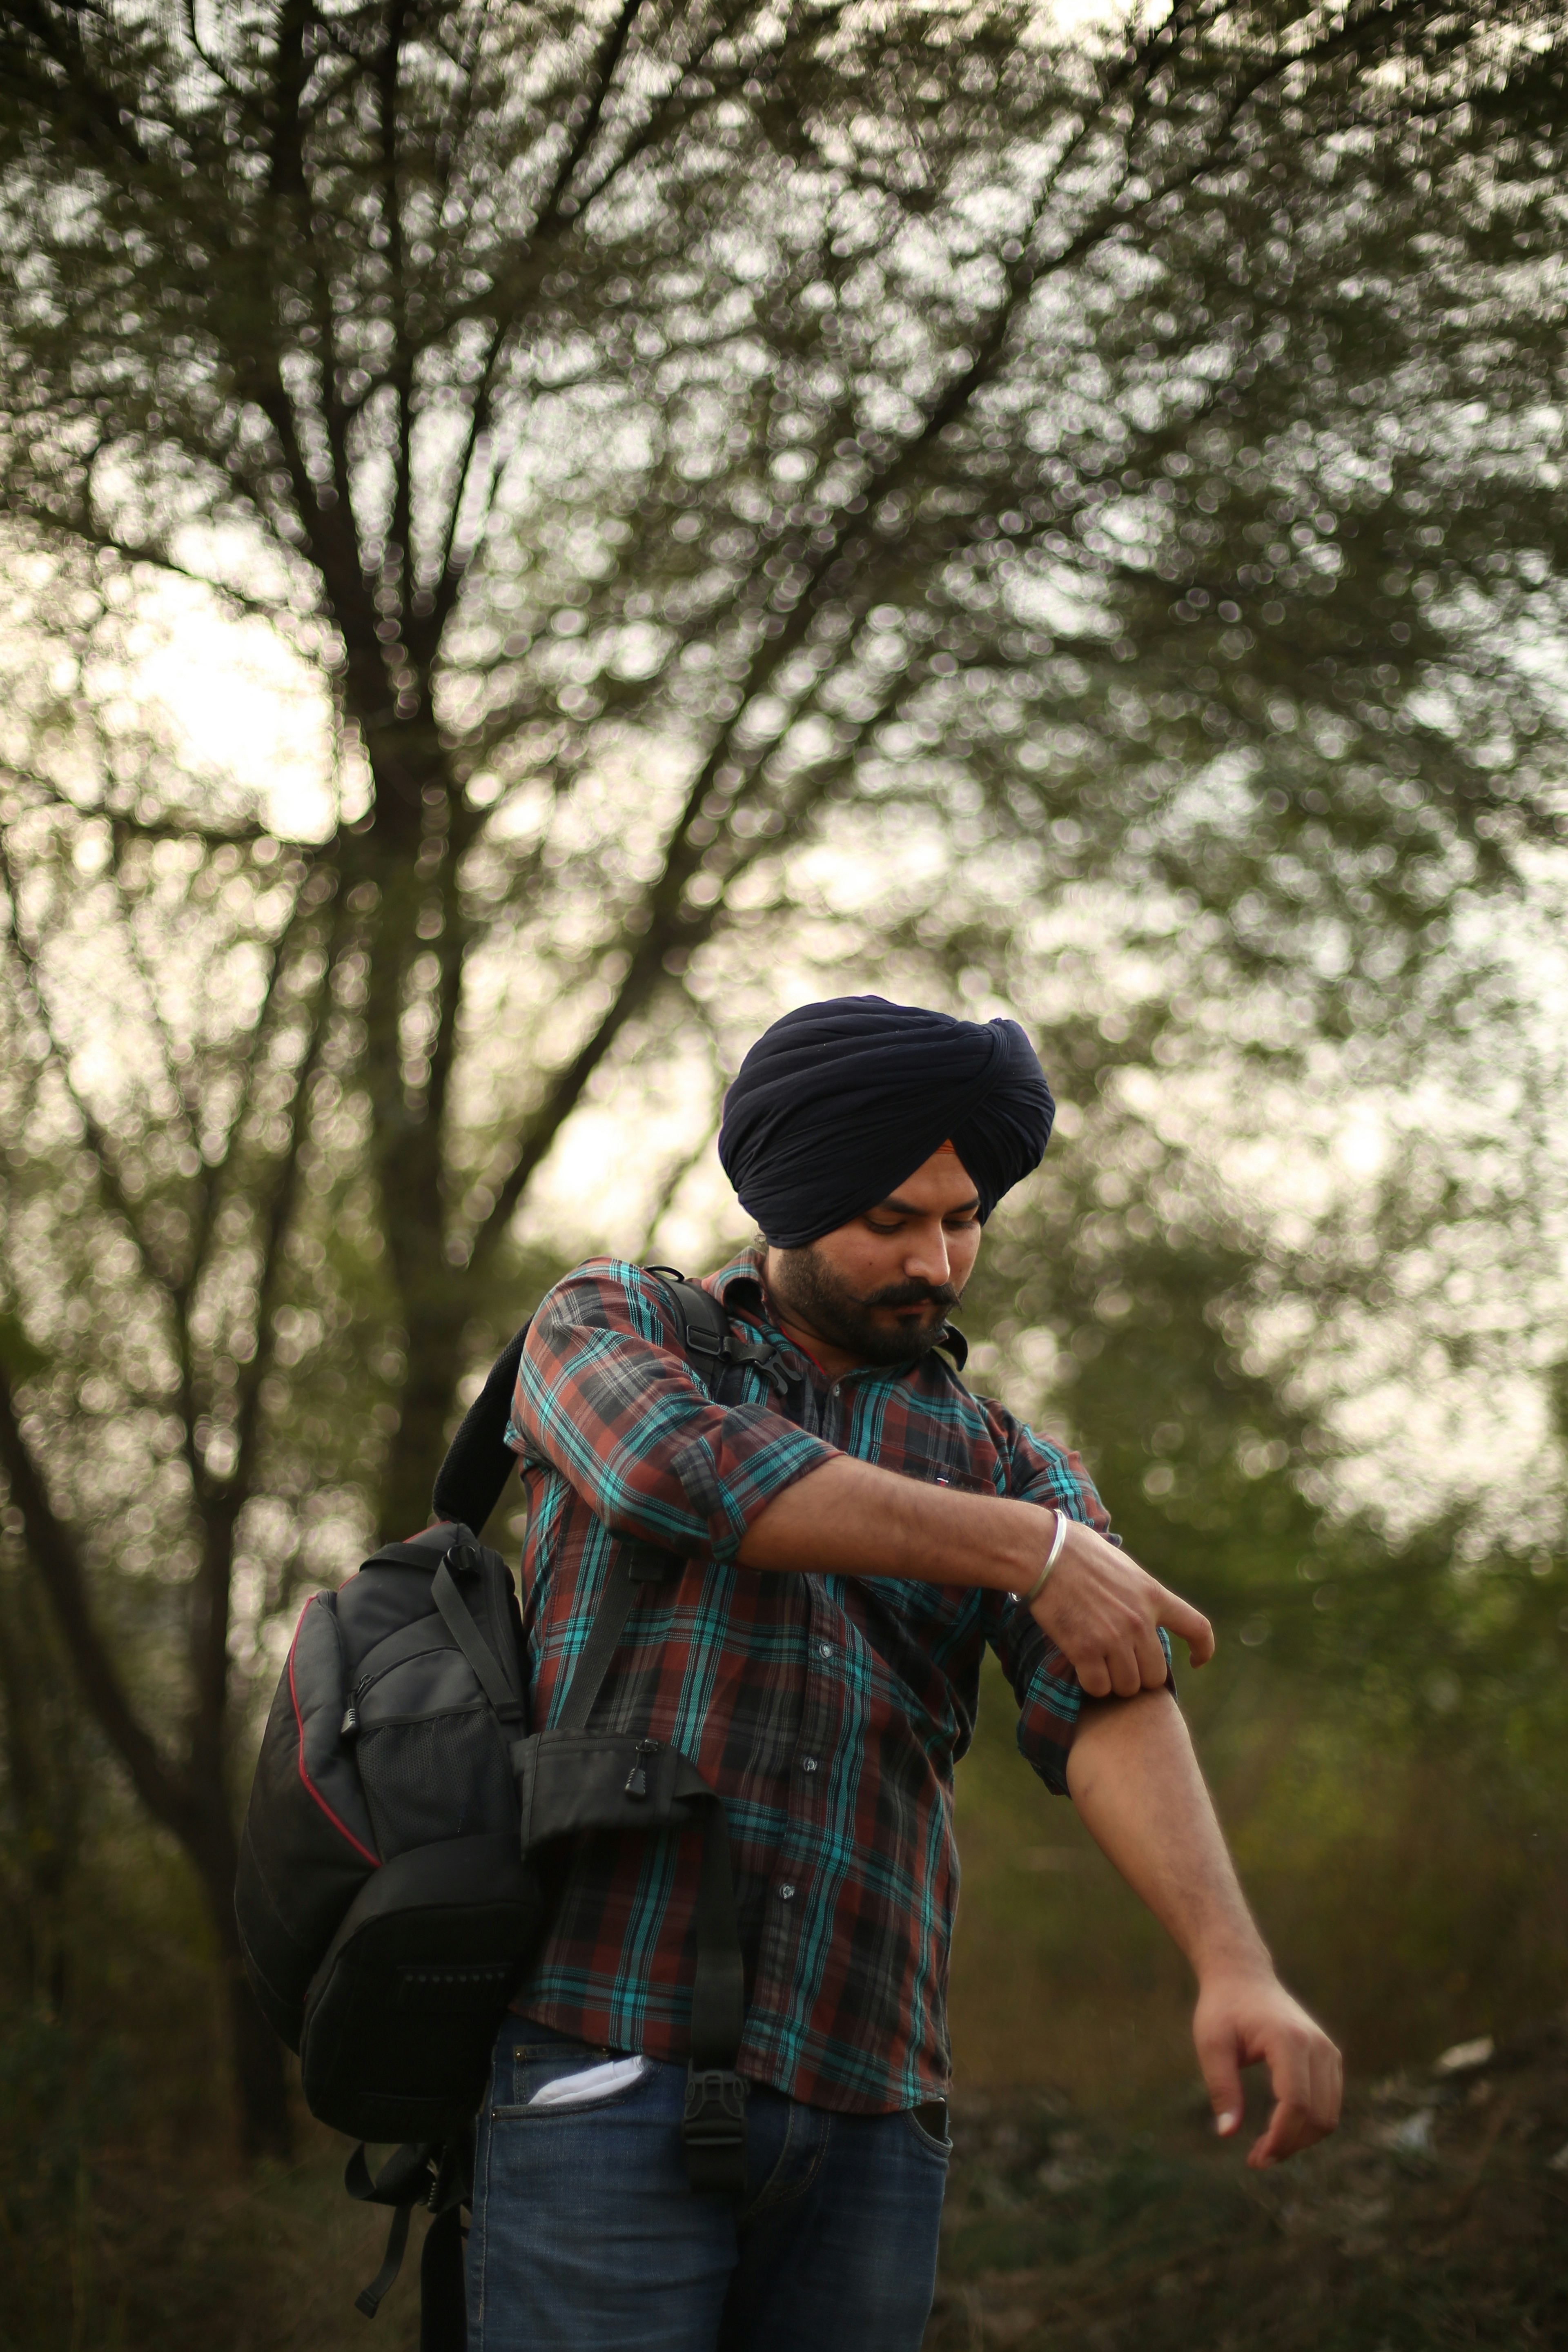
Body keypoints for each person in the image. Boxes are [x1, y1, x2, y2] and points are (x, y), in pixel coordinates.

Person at [469, 996, 1341, 2351]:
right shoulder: (614, 1320)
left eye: (965, 1219)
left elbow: (1107, 1695)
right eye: (894, 1220)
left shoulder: (1005, 1456)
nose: (938, 1260)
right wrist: (1032, 1551)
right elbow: (674, 1473)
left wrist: (1237, 1967)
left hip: (872, 2106)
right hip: (603, 2059)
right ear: (794, 1200)